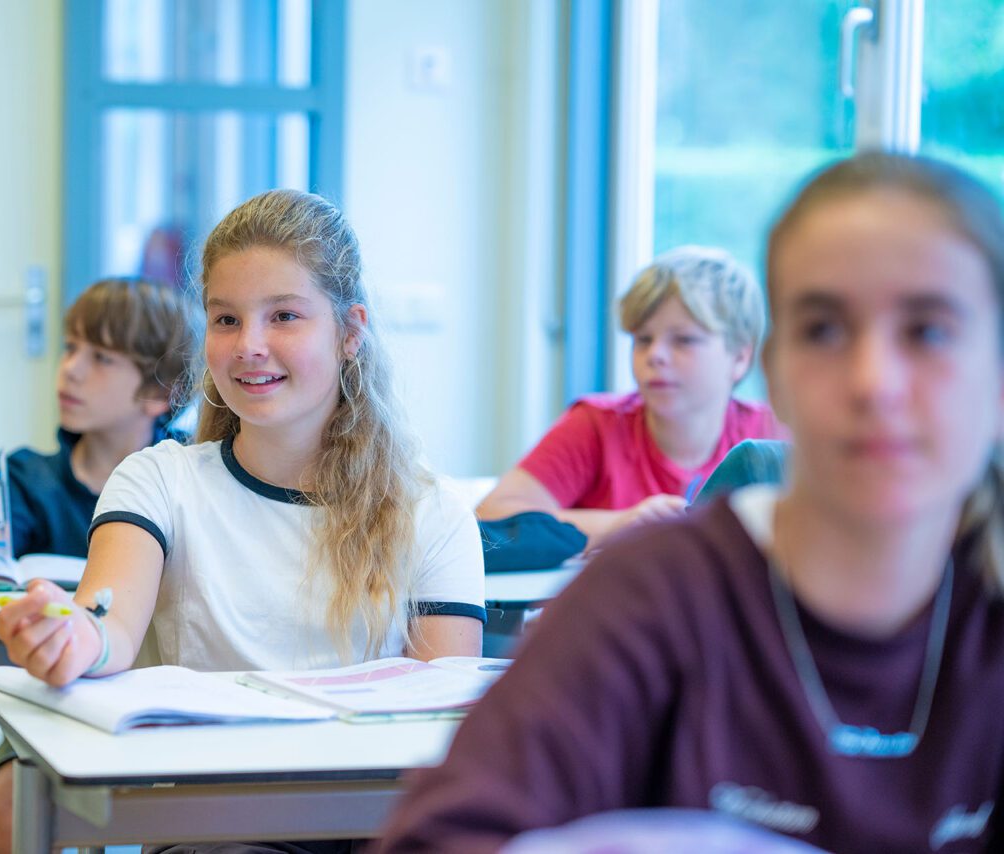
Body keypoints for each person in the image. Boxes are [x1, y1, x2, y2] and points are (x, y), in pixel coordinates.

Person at [375, 152, 1004, 853]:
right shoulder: (650, 591)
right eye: (823, 330)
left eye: (929, 332)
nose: (873, 383)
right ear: (775, 374)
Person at [0, 189, 486, 852]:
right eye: (226, 320)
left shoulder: (431, 512)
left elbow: (438, 731)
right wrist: (69, 637)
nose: (249, 345)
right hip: (212, 828)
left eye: (283, 315)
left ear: (349, 331)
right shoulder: (157, 481)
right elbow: (107, 621)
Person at [0, 277, 194, 854]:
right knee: (12, 799)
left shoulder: (187, 477)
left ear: (156, 393)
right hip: (55, 706)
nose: (68, 370)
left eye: (100, 357)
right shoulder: (31, 477)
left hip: (166, 710)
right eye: (69, 348)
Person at [477, 246, 782, 550]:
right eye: (643, 340)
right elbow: (491, 517)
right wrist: (619, 524)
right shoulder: (595, 426)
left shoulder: (773, 435)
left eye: (684, 340)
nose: (656, 355)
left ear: (741, 356)